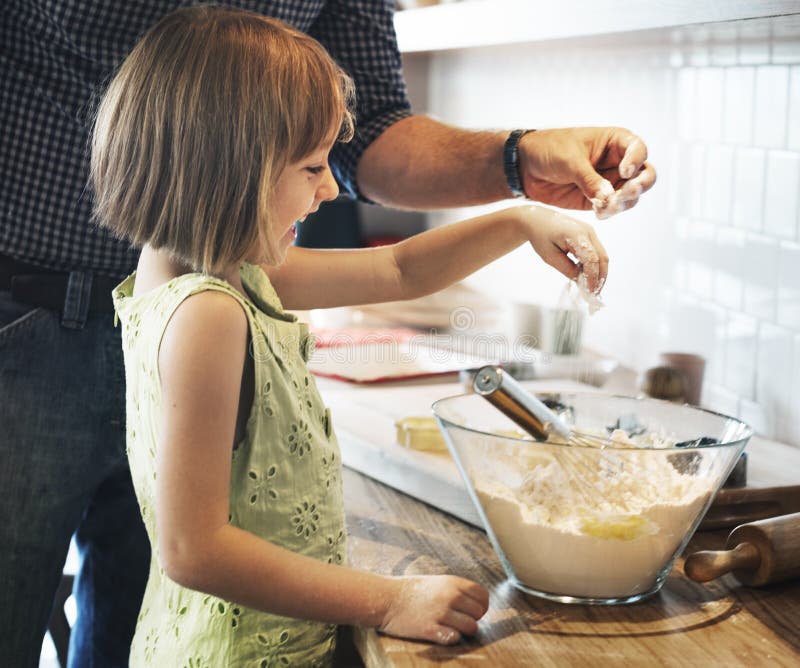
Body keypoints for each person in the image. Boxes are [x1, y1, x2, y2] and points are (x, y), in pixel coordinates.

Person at [0, 1, 654, 666]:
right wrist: (389, 600)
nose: (329, 193)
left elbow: (397, 267)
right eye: (312, 169)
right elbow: (194, 550)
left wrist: (520, 220)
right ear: (231, 167)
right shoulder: (208, 312)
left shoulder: (187, 269)